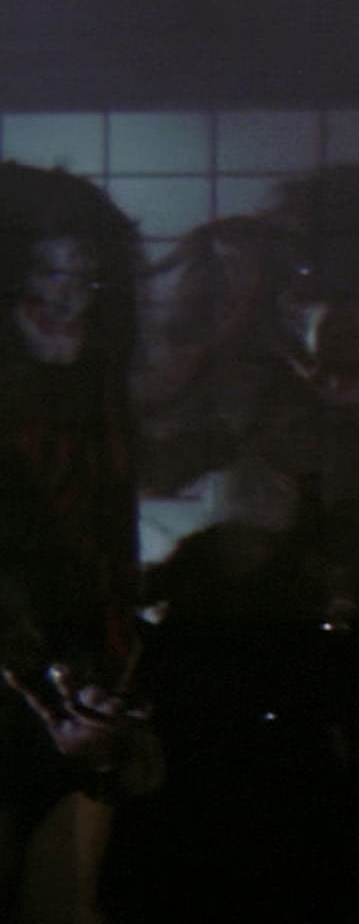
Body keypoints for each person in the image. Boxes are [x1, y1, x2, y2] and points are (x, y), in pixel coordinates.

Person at [0, 162, 145, 911]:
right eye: (47, 273)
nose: (66, 296)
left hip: (75, 683)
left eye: (84, 277)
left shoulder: (95, 390)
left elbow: (107, 535)